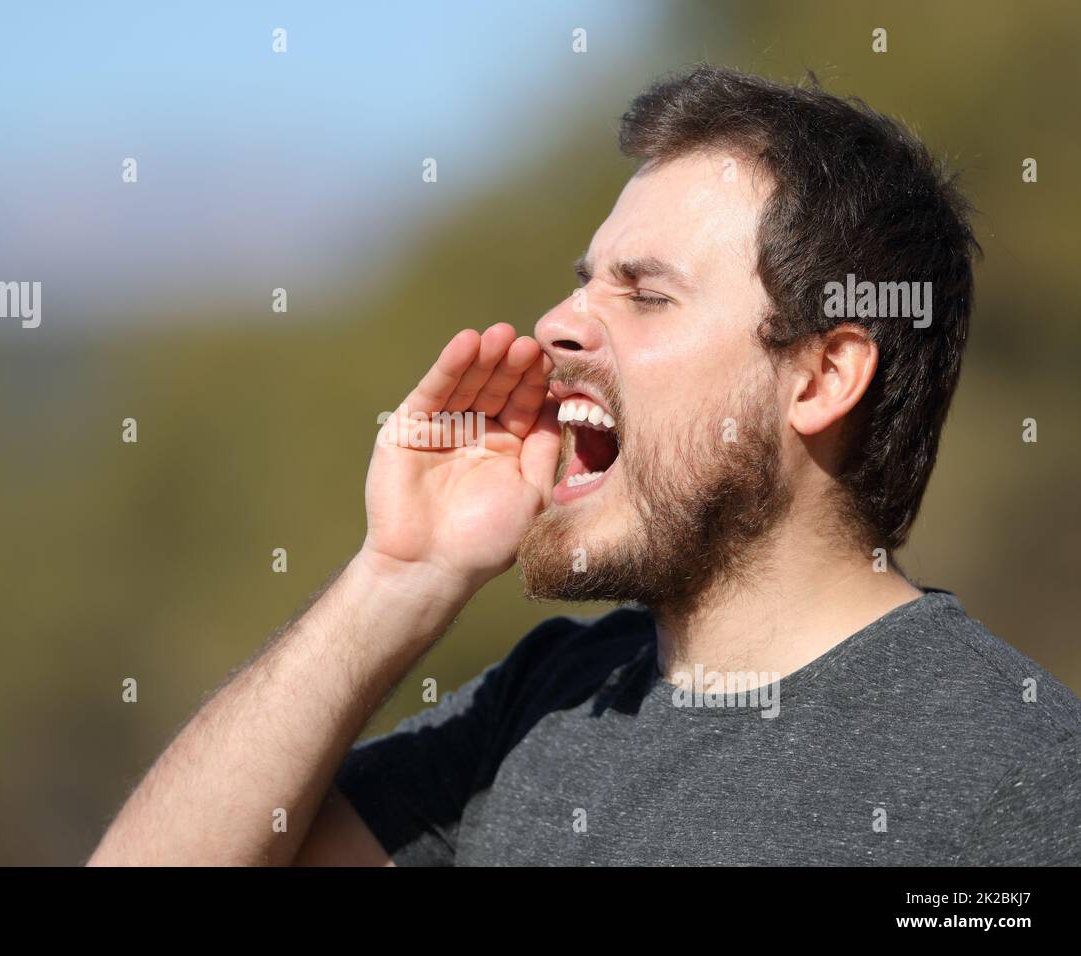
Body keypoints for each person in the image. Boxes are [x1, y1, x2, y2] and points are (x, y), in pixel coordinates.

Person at [89, 66, 1081, 866]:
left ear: (820, 376)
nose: (558, 325)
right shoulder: (539, 701)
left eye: (644, 296)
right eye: (581, 285)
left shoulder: (1020, 778)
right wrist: (397, 578)